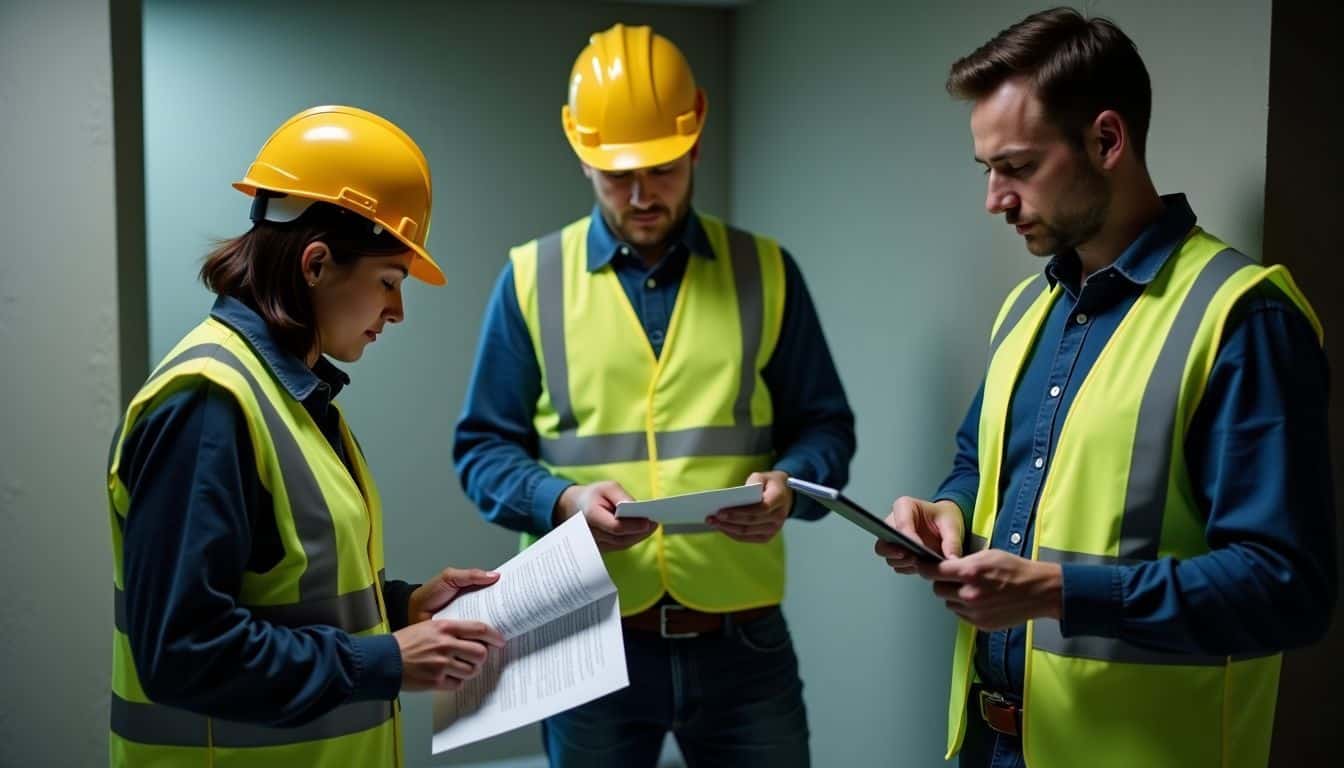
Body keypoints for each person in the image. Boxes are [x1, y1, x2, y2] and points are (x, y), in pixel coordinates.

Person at [874, 8, 1336, 768]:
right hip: (986, 745)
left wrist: (1061, 592)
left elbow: (1287, 587)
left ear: (1107, 141)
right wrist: (943, 511)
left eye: (1017, 167)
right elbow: (974, 464)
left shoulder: (1242, 319)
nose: (994, 198)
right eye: (987, 170)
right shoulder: (1026, 310)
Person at [453, 23, 855, 767]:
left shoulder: (768, 272)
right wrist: (561, 504)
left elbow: (825, 427)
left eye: (663, 169)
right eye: (617, 176)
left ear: (697, 139)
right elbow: (482, 449)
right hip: (584, 627)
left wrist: (788, 487)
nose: (641, 196)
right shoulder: (531, 279)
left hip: (743, 639)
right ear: (581, 155)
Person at [106, 105, 505, 767]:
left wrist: (400, 607)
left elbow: (280, 595)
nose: (397, 312)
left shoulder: (292, 394)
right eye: (389, 282)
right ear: (316, 263)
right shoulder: (209, 405)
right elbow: (182, 651)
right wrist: (383, 660)